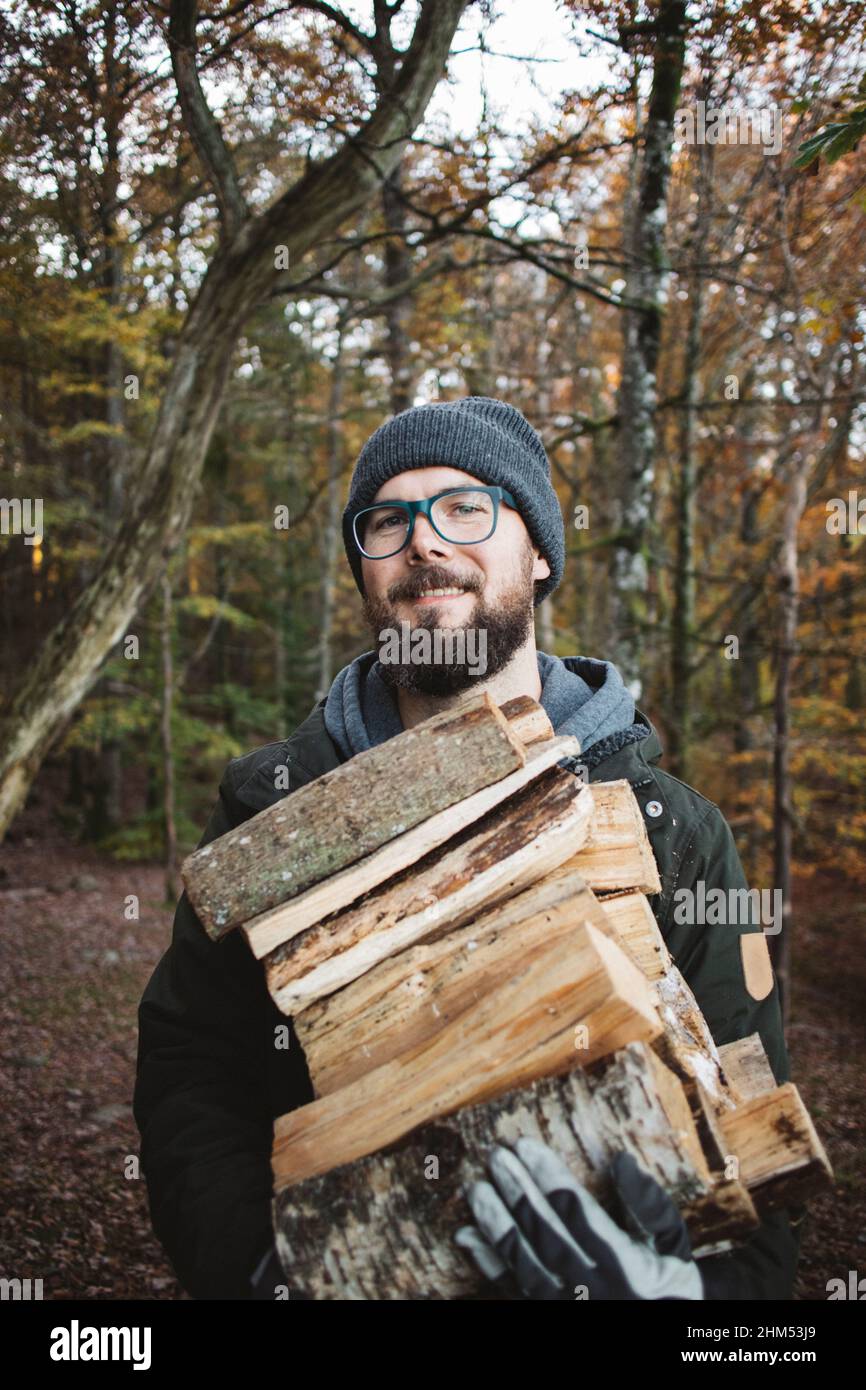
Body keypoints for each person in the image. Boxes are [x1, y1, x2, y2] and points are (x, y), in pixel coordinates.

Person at [134, 396, 803, 1300]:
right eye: (387, 521)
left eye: (464, 507)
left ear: (537, 552)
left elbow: (758, 1137)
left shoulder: (676, 833)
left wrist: (682, 1301)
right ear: (366, 570)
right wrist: (259, 1270)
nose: (424, 542)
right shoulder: (270, 808)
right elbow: (191, 1071)